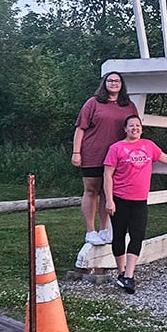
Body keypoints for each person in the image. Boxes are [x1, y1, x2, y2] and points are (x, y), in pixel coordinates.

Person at [103, 115, 167, 294]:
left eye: (137, 125)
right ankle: (121, 272)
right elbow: (107, 175)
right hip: (119, 199)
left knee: (137, 235)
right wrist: (109, 200)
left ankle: (129, 277)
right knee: (118, 237)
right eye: (131, 126)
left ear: (141, 128)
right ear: (125, 129)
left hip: (140, 200)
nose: (135, 128)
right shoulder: (116, 148)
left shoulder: (148, 145)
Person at [71, 72, 138, 245]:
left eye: (117, 81)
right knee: (92, 190)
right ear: (104, 83)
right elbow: (80, 128)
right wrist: (76, 152)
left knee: (108, 193)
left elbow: (134, 129)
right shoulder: (93, 103)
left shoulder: (129, 106)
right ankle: (90, 231)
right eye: (110, 80)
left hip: (117, 157)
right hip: (93, 153)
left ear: (122, 84)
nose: (114, 83)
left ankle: (104, 229)